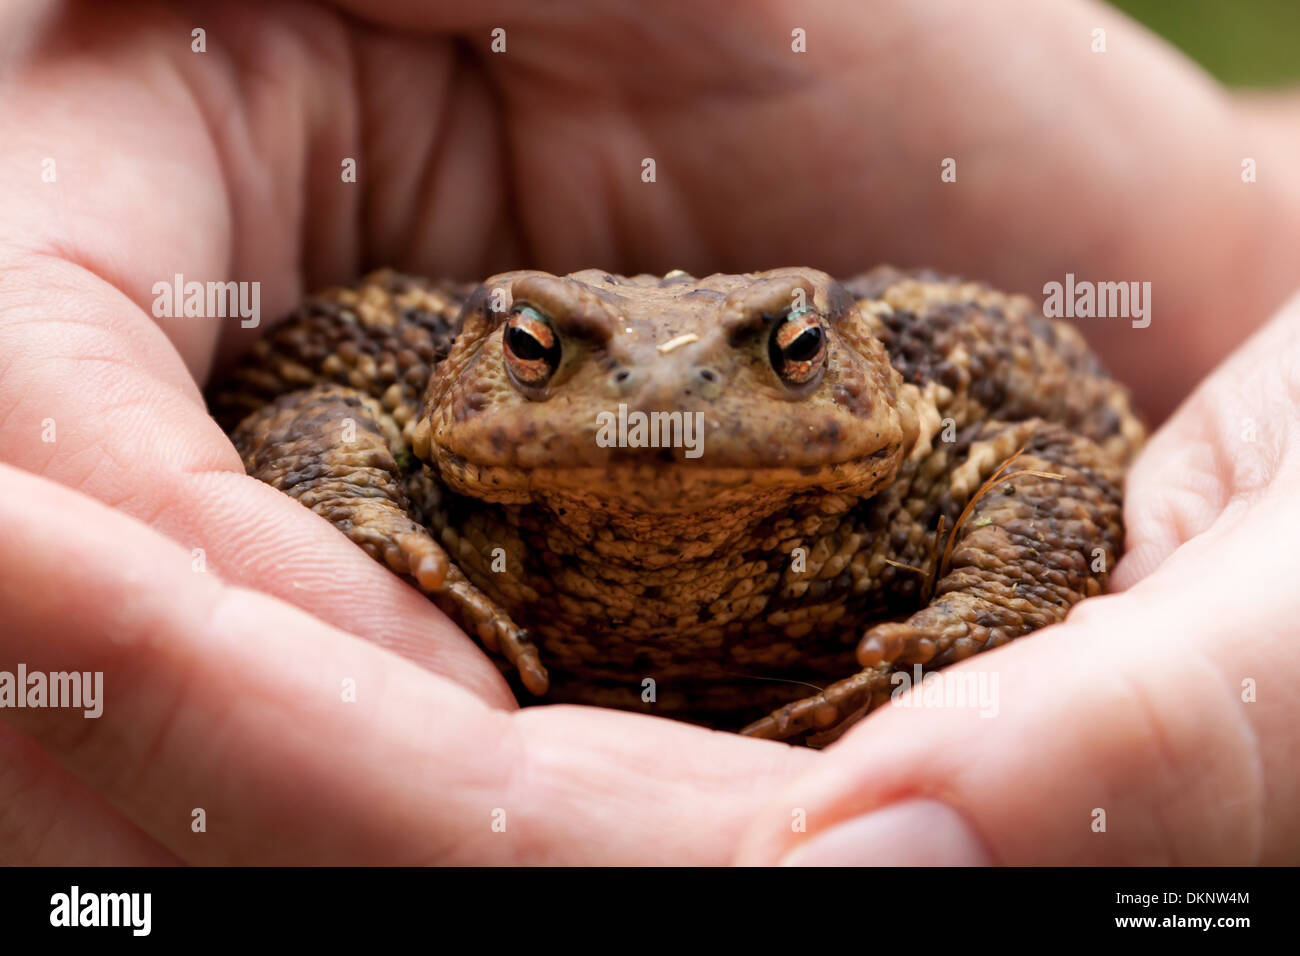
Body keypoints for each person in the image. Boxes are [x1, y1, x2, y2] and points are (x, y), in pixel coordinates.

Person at [1, 0, 1297, 864]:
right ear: (495, 363)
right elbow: (309, 418)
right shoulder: (414, 412)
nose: (661, 405)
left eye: (784, 358)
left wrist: (975, 617)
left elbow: (1049, 461)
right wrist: (371, 529)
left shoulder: (921, 436)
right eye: (541, 357)